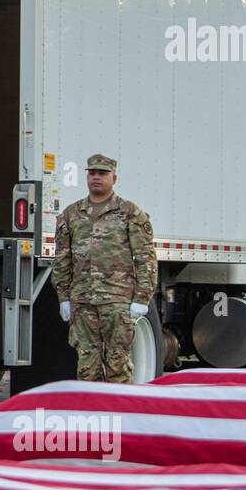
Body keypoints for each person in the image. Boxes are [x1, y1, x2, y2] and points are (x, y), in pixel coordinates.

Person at [51, 154, 158, 383]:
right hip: (83, 301)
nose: (96, 178)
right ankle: (92, 414)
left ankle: (119, 414)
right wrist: (63, 297)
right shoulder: (71, 214)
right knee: (86, 365)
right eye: (92, 173)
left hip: (117, 300)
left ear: (114, 178)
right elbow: (62, 259)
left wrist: (142, 298)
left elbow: (145, 258)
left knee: (117, 364)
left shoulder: (130, 213)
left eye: (102, 173)